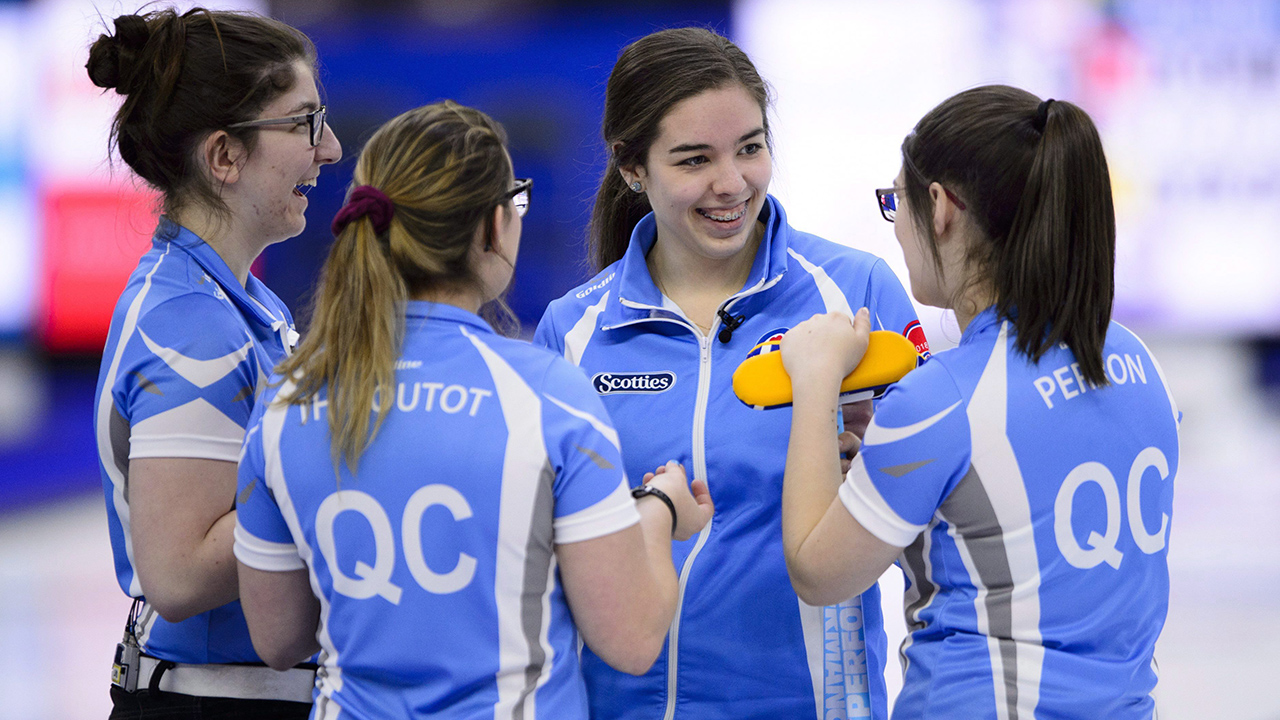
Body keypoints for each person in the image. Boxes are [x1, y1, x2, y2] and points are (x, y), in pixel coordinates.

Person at [231, 100, 715, 719]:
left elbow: (277, 640)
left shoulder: (287, 398)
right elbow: (632, 639)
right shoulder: (546, 393)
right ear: (493, 227)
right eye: (517, 201)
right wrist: (660, 510)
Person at [534, 27, 926, 720]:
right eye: (694, 159)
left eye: (750, 147)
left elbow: (940, 538)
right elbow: (551, 563)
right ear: (631, 167)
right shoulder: (574, 332)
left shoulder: (855, 293)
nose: (732, 183)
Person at [778, 85, 1179, 719]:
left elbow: (816, 571)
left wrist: (813, 381)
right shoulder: (1139, 362)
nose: (897, 227)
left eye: (895, 203)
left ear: (939, 207)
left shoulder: (943, 399)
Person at [89, 7, 342, 717]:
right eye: (305, 123)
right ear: (225, 157)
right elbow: (178, 574)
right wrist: (353, 467)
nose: (330, 148)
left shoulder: (233, 300)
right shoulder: (192, 326)